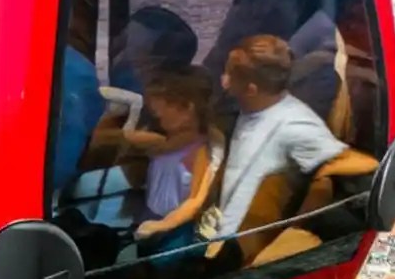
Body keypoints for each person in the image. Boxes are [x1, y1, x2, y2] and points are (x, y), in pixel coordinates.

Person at [208, 35, 374, 250]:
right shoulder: (249, 108)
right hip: (218, 234)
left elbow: (361, 164)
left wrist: (296, 227)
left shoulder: (295, 125)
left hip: (238, 247)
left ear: (251, 89)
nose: (224, 81)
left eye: (230, 75)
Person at [122, 67, 222, 257]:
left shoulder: (200, 150)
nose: (156, 116)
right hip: (149, 216)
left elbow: (195, 200)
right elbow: (130, 139)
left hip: (176, 228)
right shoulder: (165, 143)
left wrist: (164, 225)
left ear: (187, 109)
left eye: (160, 112)